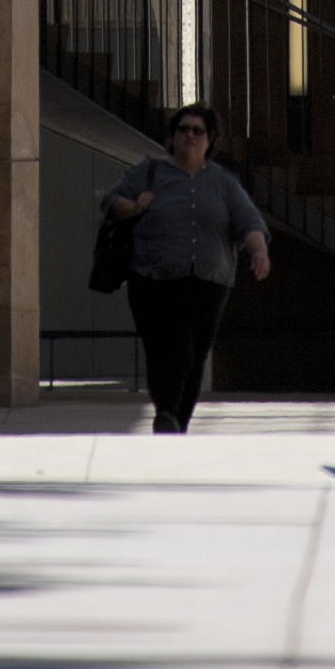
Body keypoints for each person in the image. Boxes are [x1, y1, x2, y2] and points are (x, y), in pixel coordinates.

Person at [97, 105, 270, 431]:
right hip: (153, 280)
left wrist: (259, 252)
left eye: (198, 130)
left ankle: (176, 420)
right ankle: (167, 411)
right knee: (171, 350)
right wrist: (133, 206)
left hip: (209, 282)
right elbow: (111, 199)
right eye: (183, 129)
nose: (190, 135)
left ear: (209, 140)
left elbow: (249, 222)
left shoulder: (223, 183)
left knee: (194, 355)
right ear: (172, 137)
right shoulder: (148, 173)